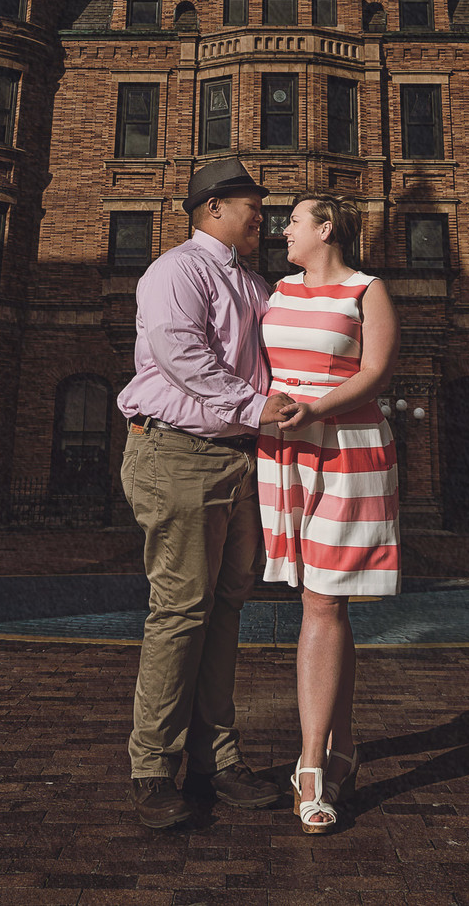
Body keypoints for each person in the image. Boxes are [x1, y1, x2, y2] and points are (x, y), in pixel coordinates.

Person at [115, 155, 304, 830]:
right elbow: (180, 352)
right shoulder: (176, 271)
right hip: (177, 452)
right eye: (253, 203)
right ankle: (152, 769)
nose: (263, 214)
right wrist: (255, 408)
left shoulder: (252, 284)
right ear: (213, 206)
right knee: (181, 609)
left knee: (224, 610)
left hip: (232, 459)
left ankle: (216, 761)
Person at [255, 194, 399, 835]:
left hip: (347, 449)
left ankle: (310, 765)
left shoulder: (368, 290)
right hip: (284, 451)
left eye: (293, 221)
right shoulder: (277, 291)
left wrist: (316, 408)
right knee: (321, 602)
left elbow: (376, 372)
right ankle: (340, 751)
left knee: (324, 602)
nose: (283, 231)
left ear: (326, 228)